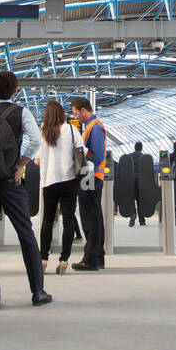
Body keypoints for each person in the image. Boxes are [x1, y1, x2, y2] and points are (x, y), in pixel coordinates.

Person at [0, 70, 51, 309]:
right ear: (15, 90)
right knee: (26, 233)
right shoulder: (21, 112)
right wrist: (19, 166)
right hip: (10, 182)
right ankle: (38, 291)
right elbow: (35, 139)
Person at [34, 100, 84, 276]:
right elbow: (81, 151)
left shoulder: (43, 133)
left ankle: (43, 259)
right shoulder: (71, 130)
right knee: (68, 221)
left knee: (47, 220)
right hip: (69, 179)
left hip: (49, 181)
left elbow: (37, 159)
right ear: (62, 114)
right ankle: (64, 260)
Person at [70, 97, 107, 272]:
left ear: (84, 110)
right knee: (94, 216)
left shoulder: (96, 127)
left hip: (90, 176)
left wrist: (83, 160)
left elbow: (98, 155)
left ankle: (91, 258)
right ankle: (97, 256)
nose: (75, 117)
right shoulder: (90, 127)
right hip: (90, 175)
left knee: (90, 217)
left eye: (76, 113)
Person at [128, 140, 145, 227]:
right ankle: (142, 220)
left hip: (131, 180)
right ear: (141, 148)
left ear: (134, 147)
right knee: (140, 200)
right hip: (141, 181)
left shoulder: (130, 156)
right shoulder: (143, 157)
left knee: (132, 199)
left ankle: (132, 215)